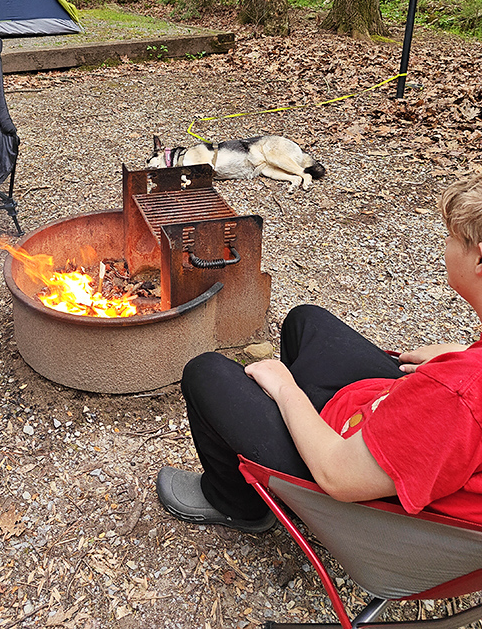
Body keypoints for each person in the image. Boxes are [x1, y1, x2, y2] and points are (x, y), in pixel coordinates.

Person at [156, 174, 482, 534]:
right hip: (380, 422)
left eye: (452, 238)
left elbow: (338, 476)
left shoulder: (456, 396)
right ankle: (285, 436)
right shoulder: (463, 381)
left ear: (479, 260)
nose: (446, 245)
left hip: (353, 489)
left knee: (205, 372)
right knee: (304, 322)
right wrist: (466, 353)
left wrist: (285, 390)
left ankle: (236, 504)